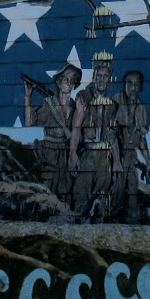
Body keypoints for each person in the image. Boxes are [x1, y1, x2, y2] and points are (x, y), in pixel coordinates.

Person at [69, 51, 118, 222]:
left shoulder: (112, 105)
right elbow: (76, 126)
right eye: (99, 76)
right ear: (94, 76)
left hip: (105, 158)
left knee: (100, 203)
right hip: (88, 156)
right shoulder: (84, 97)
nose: (102, 79)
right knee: (81, 199)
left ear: (109, 79)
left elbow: (112, 136)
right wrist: (73, 153)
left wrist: (117, 161)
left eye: (106, 76)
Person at [25, 63, 81, 203]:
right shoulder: (48, 103)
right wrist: (27, 98)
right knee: (47, 193)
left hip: (67, 154)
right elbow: (29, 122)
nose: (69, 83)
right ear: (58, 81)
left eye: (73, 80)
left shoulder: (75, 107)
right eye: (66, 79)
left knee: (66, 193)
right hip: (49, 154)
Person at [111, 70, 150, 223]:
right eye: (130, 83)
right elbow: (111, 135)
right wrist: (116, 161)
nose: (134, 88)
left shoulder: (141, 109)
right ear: (124, 85)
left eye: (137, 84)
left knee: (132, 197)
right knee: (115, 195)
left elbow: (141, 139)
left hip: (131, 159)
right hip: (113, 157)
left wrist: (148, 162)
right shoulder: (115, 102)